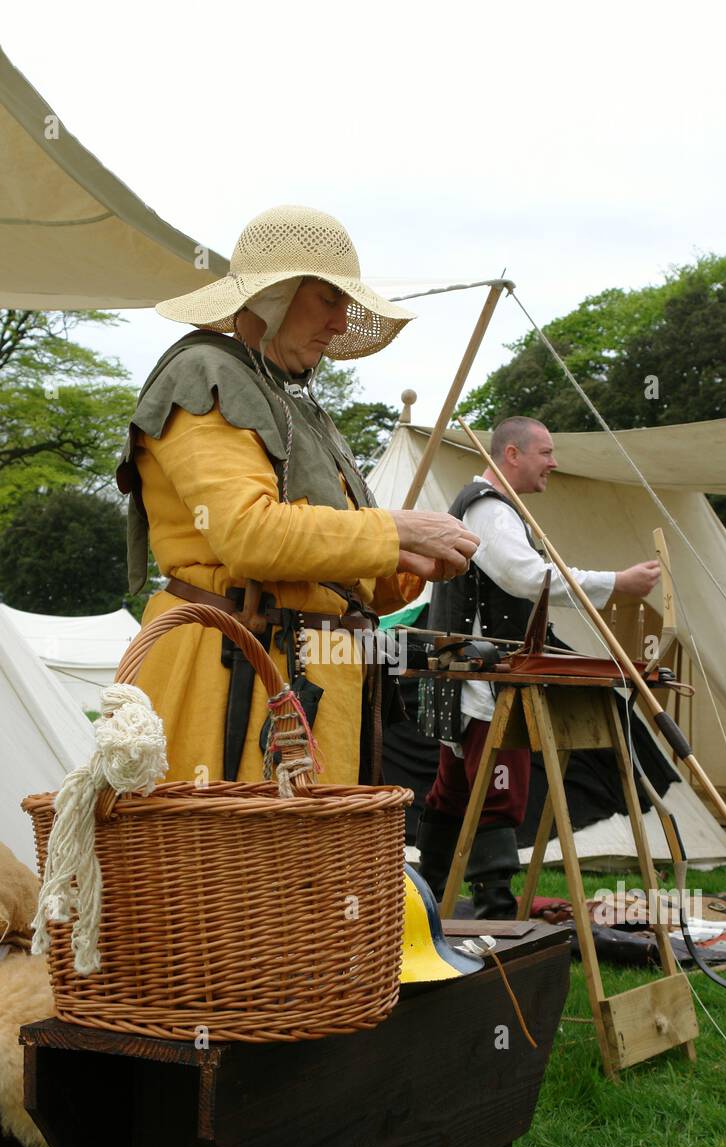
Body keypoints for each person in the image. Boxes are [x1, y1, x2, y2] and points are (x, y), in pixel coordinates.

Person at [116, 205, 479, 786]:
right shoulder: (205, 377)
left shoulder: (295, 404)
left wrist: (405, 566)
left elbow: (331, 576)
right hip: (229, 673)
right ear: (274, 295)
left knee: (316, 875)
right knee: (228, 873)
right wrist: (397, 531)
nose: (339, 323)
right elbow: (249, 535)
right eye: (328, 299)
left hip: (308, 685)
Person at [416, 415, 660, 918]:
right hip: (484, 678)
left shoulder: (492, 508)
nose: (553, 462)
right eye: (545, 452)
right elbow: (528, 578)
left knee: (456, 789)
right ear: (512, 455)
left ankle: (431, 896)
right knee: (499, 786)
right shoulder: (490, 510)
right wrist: (617, 582)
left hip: (468, 673)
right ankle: (494, 907)